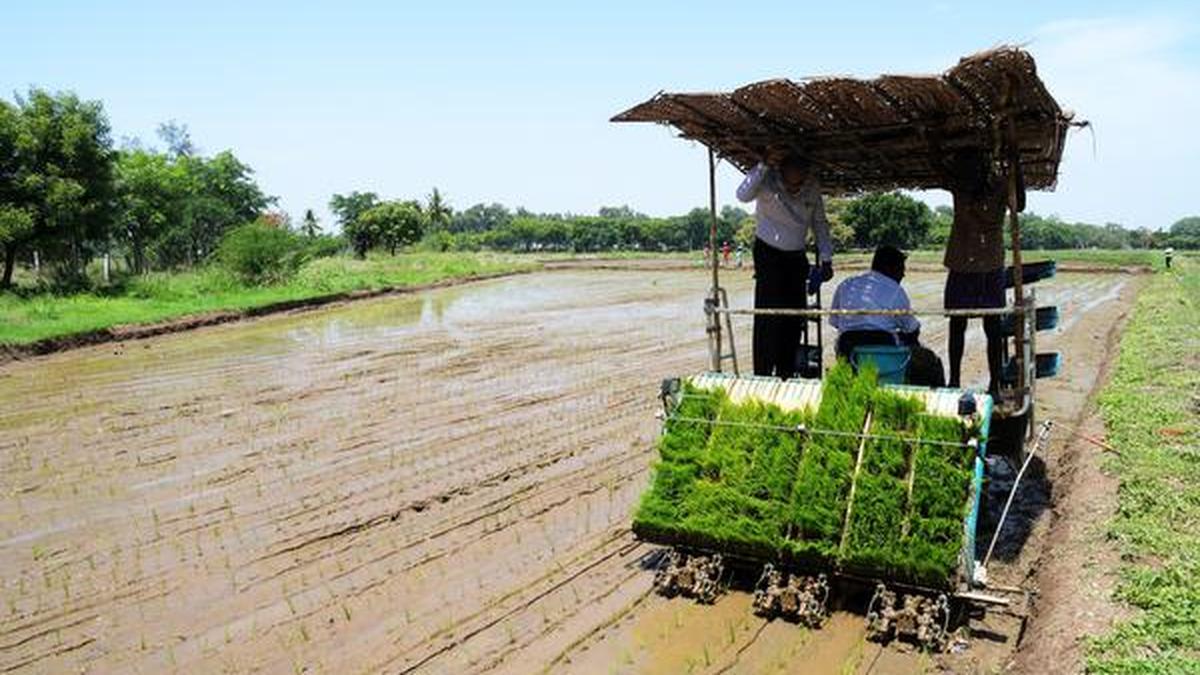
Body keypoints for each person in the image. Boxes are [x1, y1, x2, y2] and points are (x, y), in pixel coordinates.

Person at [737, 153, 834, 379]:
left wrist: (827, 258)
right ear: (781, 171)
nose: (796, 188)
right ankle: (762, 373)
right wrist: (761, 165)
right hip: (768, 255)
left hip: (795, 257)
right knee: (768, 318)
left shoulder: (812, 188)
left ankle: (785, 373)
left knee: (793, 318)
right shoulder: (765, 178)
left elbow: (819, 223)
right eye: (792, 182)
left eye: (800, 181)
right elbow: (742, 195)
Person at [939, 148, 1022, 393]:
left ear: (983, 169)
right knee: (957, 324)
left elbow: (1021, 204)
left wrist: (1016, 167)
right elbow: (940, 167)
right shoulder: (959, 187)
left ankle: (995, 383)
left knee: (993, 327)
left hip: (989, 264)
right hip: (961, 262)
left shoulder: (999, 186)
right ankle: (954, 380)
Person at [829, 245, 945, 387]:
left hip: (849, 352)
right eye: (902, 269)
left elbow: (835, 322)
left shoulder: (846, 285)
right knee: (931, 362)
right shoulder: (895, 290)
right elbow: (912, 330)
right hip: (885, 357)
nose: (903, 275)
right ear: (891, 268)